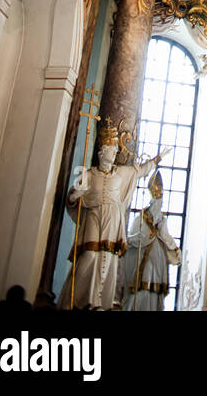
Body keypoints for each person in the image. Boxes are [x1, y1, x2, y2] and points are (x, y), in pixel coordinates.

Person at [58, 129, 166, 310]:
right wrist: (73, 197)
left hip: (113, 220)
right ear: (102, 152)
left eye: (116, 149)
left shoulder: (121, 173)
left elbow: (139, 171)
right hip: (93, 216)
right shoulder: (89, 174)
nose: (115, 151)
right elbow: (72, 198)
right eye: (111, 148)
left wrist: (157, 159)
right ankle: (76, 300)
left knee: (107, 258)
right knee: (89, 255)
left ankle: (99, 302)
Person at [122, 171, 181, 312]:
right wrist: (138, 238)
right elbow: (134, 238)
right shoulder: (140, 219)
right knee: (143, 285)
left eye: (161, 202)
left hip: (159, 258)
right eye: (157, 201)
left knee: (155, 290)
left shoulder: (161, 220)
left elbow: (166, 236)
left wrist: (174, 249)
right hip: (143, 258)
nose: (159, 205)